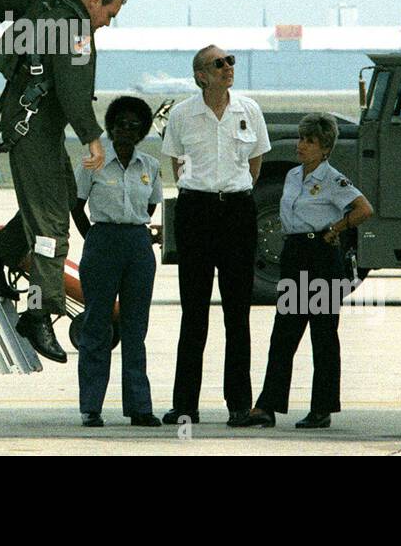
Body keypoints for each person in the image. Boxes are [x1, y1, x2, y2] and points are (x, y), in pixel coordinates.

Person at [0, 0, 125, 363]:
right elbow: (74, 92)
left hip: (30, 124)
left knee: (59, 199)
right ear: (94, 0)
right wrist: (91, 137)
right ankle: (39, 313)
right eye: (109, 14)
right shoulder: (76, 30)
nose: (107, 24)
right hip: (35, 132)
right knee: (51, 231)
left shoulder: (43, 4)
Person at [159, 45, 270, 428]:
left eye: (230, 62)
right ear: (200, 75)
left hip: (237, 212)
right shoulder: (182, 114)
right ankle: (185, 404)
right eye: (218, 64)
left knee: (237, 314)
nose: (228, 68)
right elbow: (177, 164)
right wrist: (204, 193)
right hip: (196, 213)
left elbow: (255, 165)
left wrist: (231, 193)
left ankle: (239, 405)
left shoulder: (249, 111)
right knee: (194, 313)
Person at [250, 113, 373, 429]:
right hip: (294, 254)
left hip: (321, 257)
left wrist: (338, 227)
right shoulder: (292, 176)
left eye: (309, 141)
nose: (301, 145)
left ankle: (321, 409)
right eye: (301, 139)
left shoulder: (333, 180)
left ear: (325, 148)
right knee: (284, 332)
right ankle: (267, 406)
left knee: (323, 335)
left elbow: (364, 209)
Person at [71, 96, 162, 428]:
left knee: (136, 329)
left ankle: (139, 407)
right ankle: (91, 407)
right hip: (102, 242)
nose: (126, 130)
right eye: (120, 124)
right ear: (109, 127)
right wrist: (94, 239)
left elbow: (150, 207)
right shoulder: (93, 162)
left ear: (142, 131)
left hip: (137, 245)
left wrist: (131, 227)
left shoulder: (149, 166)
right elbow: (76, 205)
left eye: (133, 125)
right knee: (96, 325)